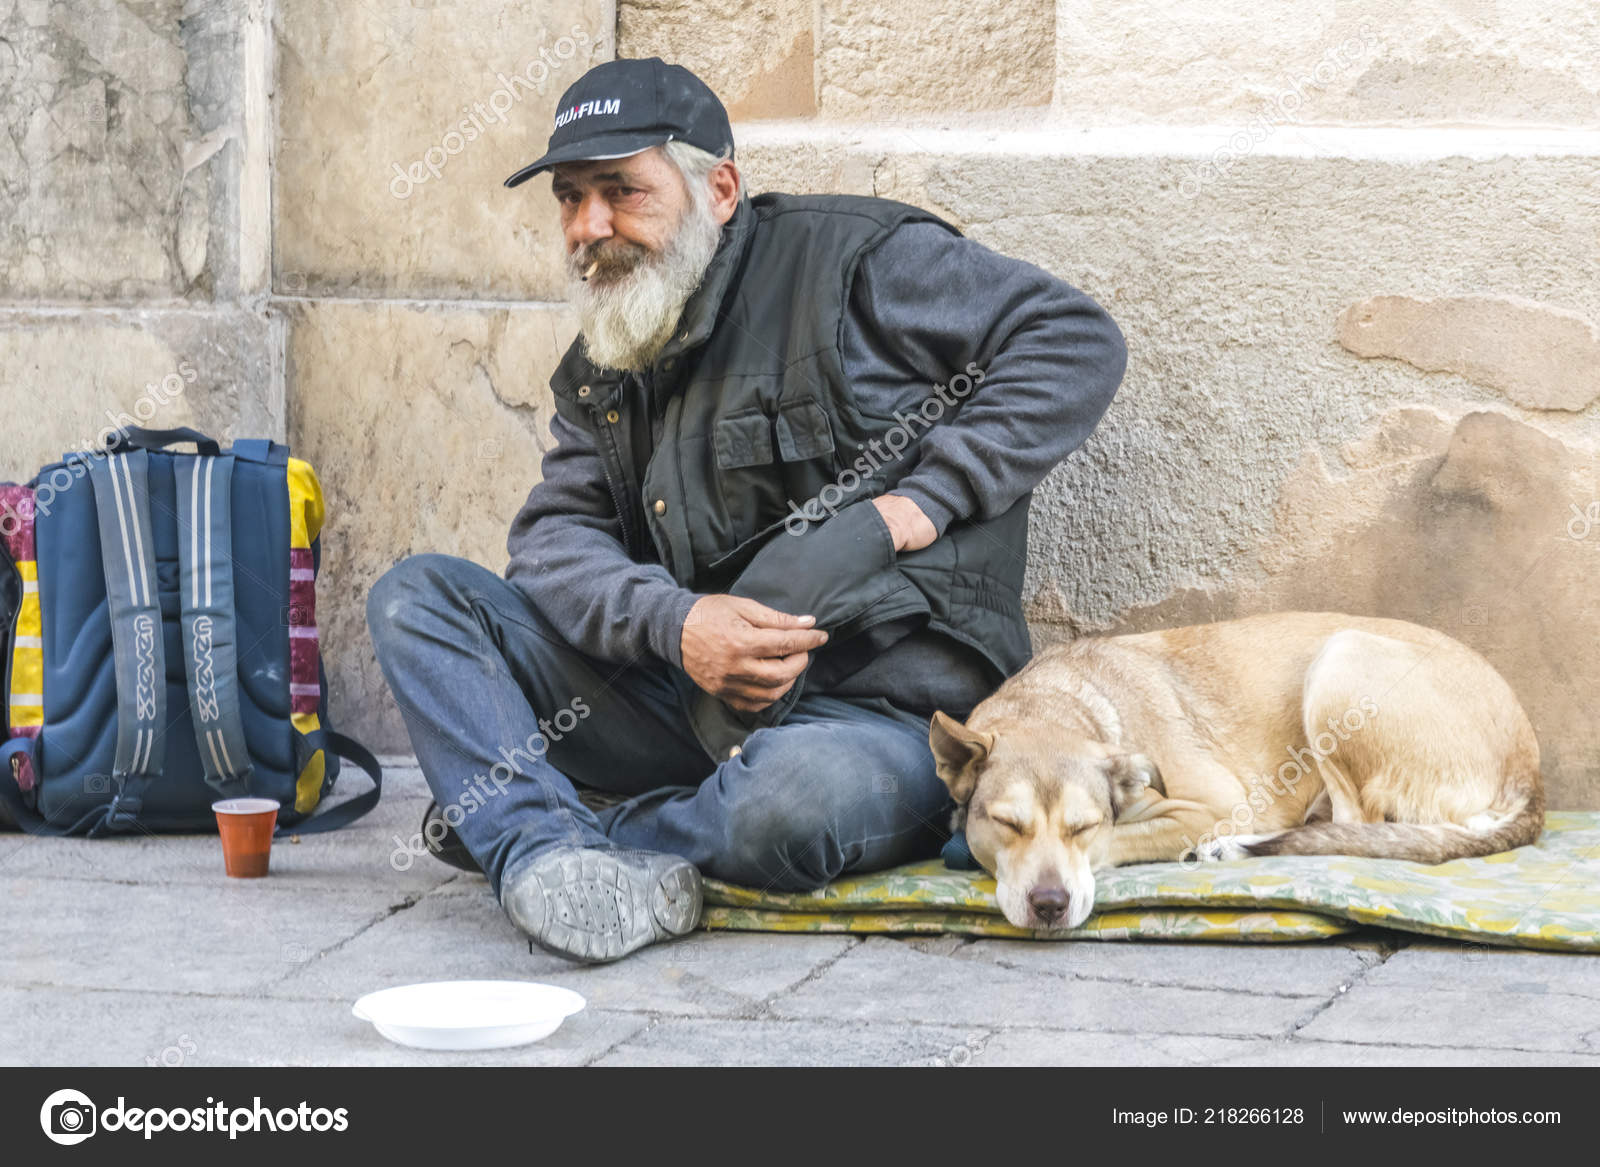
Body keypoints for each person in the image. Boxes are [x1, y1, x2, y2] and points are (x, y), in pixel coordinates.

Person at [366, 56, 1127, 963]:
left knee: (783, 810)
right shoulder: (608, 358)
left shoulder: (856, 264)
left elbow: (1072, 337)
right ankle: (546, 852)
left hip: (875, 716)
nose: (589, 227)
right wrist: (678, 623)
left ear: (719, 188)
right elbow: (552, 542)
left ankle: (547, 824)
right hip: (686, 701)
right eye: (570, 199)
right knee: (420, 597)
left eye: (621, 191)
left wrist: (921, 502)